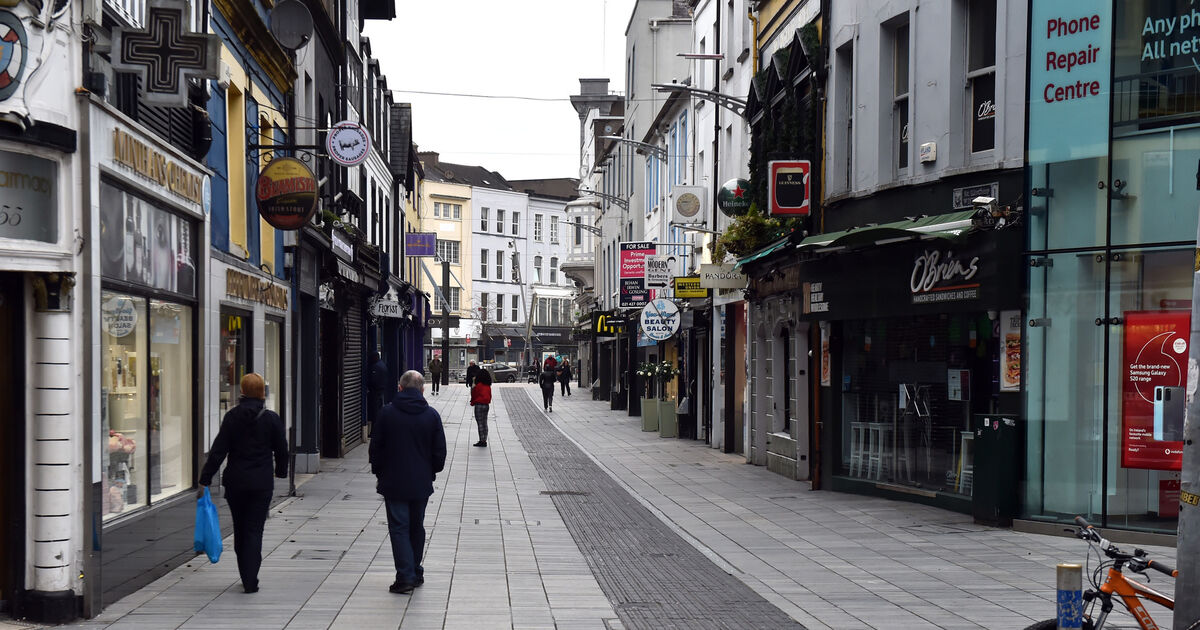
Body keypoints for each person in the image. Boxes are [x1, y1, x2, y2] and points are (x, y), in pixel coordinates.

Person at [197, 373, 288, 594]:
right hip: (261, 484)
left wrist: (205, 478)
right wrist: (281, 472)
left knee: (240, 528)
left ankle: (245, 573)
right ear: (262, 392)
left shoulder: (232, 417)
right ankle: (250, 579)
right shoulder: (271, 418)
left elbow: (219, 450)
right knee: (254, 529)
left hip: (236, 483)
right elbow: (282, 449)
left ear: (243, 392)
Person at [370, 370, 446, 594]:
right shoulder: (431, 415)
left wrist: (379, 472)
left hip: (393, 481)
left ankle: (405, 576)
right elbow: (439, 452)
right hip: (421, 482)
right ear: (422, 390)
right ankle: (415, 570)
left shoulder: (387, 413)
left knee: (399, 528)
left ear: (400, 388)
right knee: (416, 526)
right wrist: (431, 471)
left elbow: (376, 448)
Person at [368, 351, 392, 429]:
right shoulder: (382, 364)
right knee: (378, 411)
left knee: (375, 413)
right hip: (381, 391)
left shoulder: (376, 366)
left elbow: (373, 380)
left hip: (375, 392)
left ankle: (374, 429)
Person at [469, 369, 493, 447]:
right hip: (486, 405)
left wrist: (472, 402)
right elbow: (489, 396)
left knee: (480, 423)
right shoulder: (488, 386)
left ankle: (481, 440)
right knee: (484, 422)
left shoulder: (478, 386)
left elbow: (474, 395)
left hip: (479, 405)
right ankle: (484, 439)